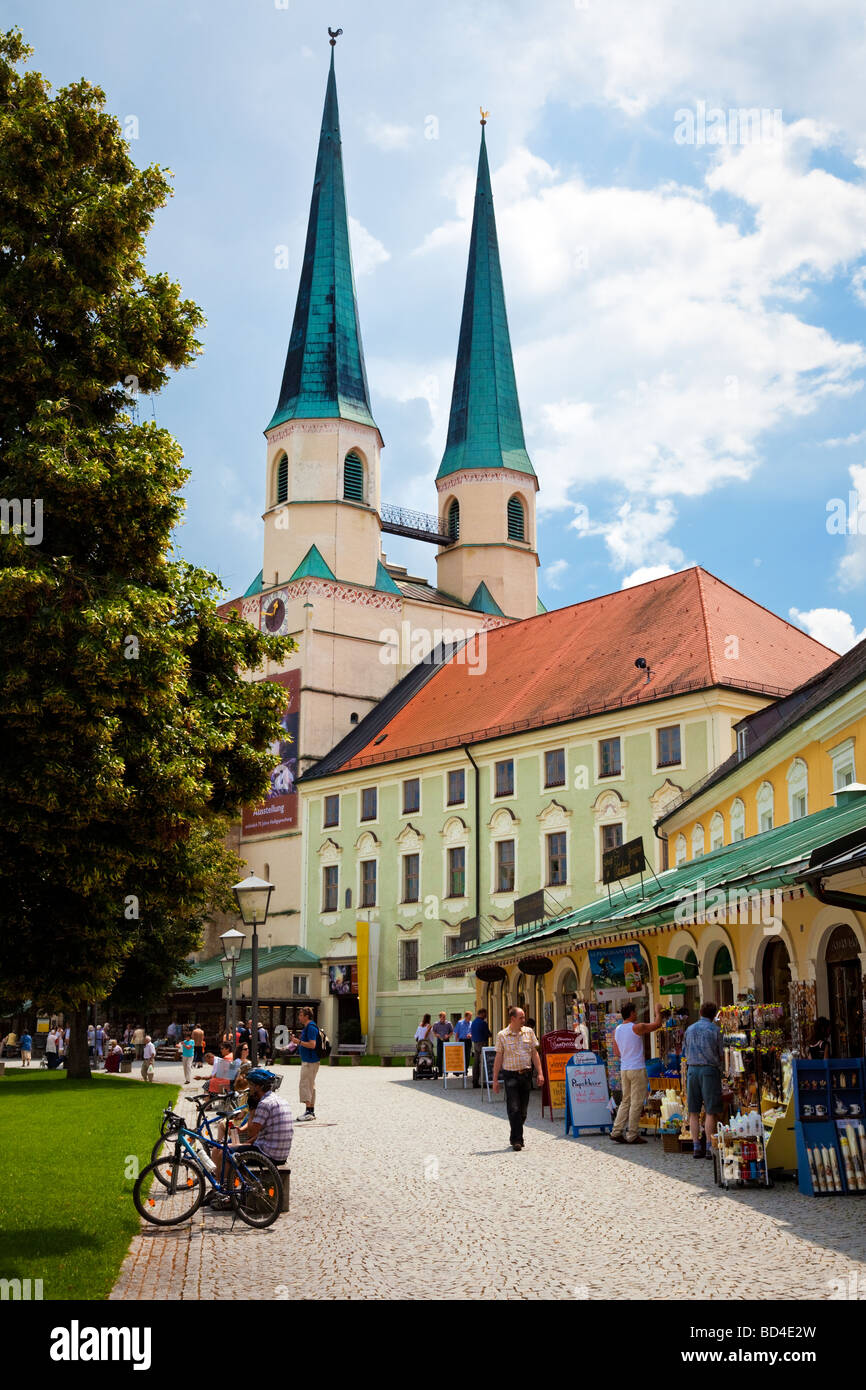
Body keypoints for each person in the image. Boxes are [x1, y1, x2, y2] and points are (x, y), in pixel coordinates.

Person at [610, 1000, 663, 1147]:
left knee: (625, 1101)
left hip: (624, 1068)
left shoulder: (617, 1030)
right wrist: (658, 1011)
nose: (636, 1014)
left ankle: (616, 1131)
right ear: (632, 1013)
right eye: (635, 1012)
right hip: (637, 1068)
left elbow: (616, 1052)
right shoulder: (637, 1027)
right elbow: (657, 1025)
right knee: (636, 1102)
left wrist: (627, 1054)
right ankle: (632, 1134)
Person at [492, 1006, 544, 1151]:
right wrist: (495, 1080)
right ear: (513, 1018)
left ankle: (514, 1133)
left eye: (524, 1017)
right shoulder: (502, 1035)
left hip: (526, 1075)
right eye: (521, 1017)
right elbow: (498, 1057)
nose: (523, 1020)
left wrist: (540, 1073)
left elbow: (534, 1053)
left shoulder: (529, 1032)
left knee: (523, 1112)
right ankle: (517, 1140)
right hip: (510, 1076)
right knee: (513, 1109)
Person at [683, 1001, 725, 1159]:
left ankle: (695, 1146)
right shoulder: (715, 1030)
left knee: (693, 1112)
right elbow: (721, 1054)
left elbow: (685, 1050)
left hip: (692, 1070)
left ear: (700, 1012)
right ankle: (708, 1146)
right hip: (709, 1070)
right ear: (714, 1015)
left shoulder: (689, 1029)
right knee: (710, 1111)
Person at [291, 1007, 321, 1121]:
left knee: (305, 1085)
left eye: (301, 1015)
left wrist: (298, 1042)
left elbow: (312, 1045)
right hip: (309, 1060)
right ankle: (310, 1111)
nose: (299, 1017)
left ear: (306, 1016)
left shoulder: (311, 1027)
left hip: (310, 1061)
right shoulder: (308, 1027)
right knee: (310, 1085)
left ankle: (309, 1111)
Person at [470, 1008, 491, 1088]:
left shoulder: (474, 1022)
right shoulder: (483, 1023)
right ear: (482, 1013)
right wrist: (490, 1034)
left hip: (475, 1043)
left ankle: (475, 1082)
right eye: (485, 1014)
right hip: (482, 1043)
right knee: (484, 1063)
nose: (486, 1016)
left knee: (475, 1064)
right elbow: (487, 1033)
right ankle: (484, 1082)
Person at [431, 1012, 453, 1077]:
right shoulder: (436, 1024)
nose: (444, 1018)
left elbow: (452, 1032)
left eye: (445, 1016)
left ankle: (446, 1072)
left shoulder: (448, 1024)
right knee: (439, 1057)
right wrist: (436, 1035)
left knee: (446, 1057)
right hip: (439, 1041)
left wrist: (448, 1035)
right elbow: (433, 1032)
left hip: (446, 1041)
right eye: (443, 1017)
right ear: (440, 1017)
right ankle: (440, 1072)